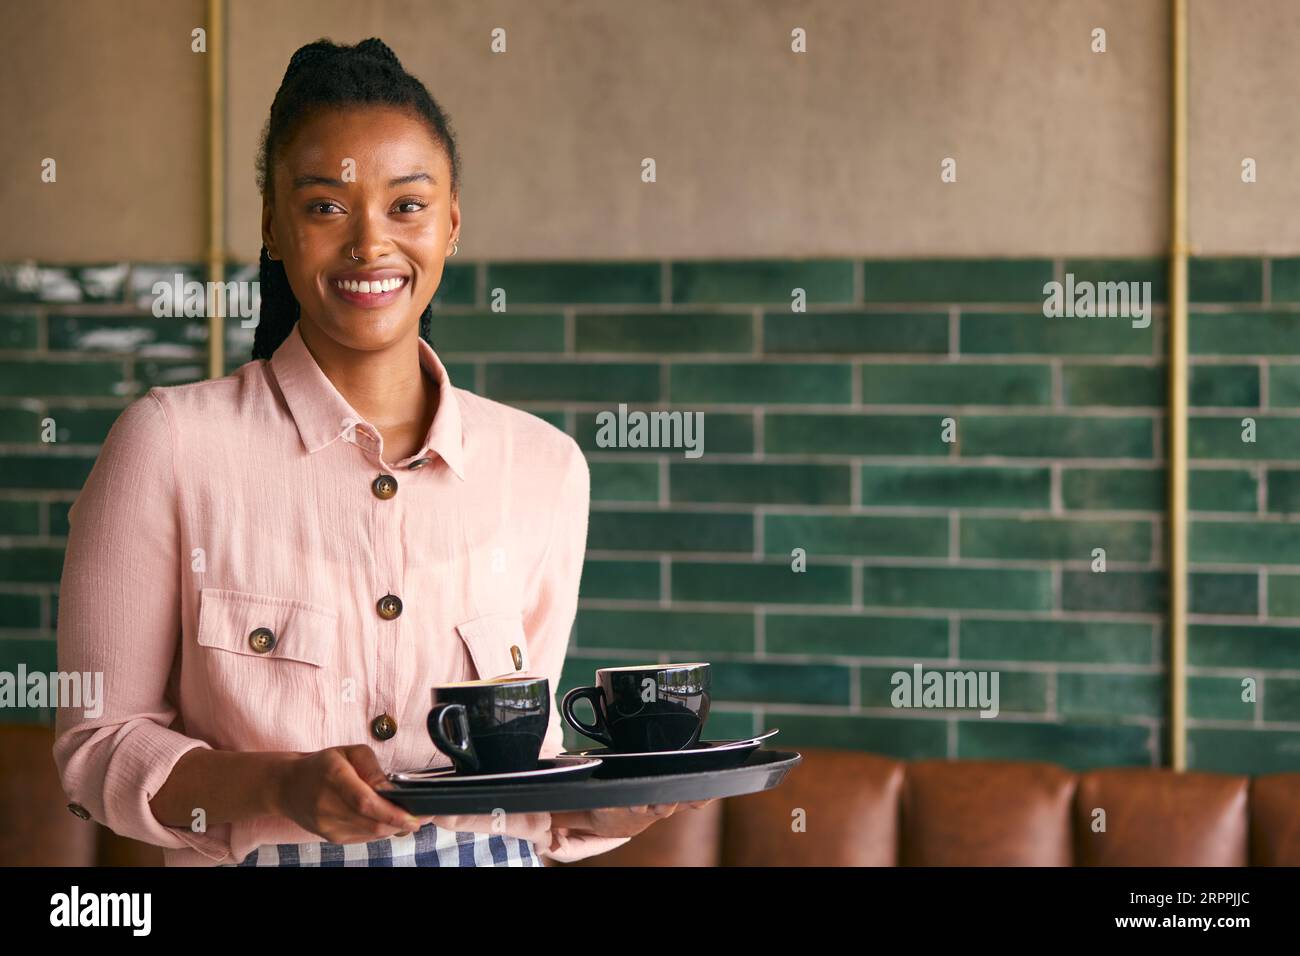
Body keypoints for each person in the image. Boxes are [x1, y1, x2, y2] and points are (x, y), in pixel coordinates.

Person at [53, 37, 708, 867]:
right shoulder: (169, 446)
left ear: (452, 223)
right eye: (327, 205)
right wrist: (278, 789)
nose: (370, 245)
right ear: (274, 225)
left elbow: (529, 790)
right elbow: (95, 749)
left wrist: (620, 808)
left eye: (407, 206)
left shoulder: (545, 468)